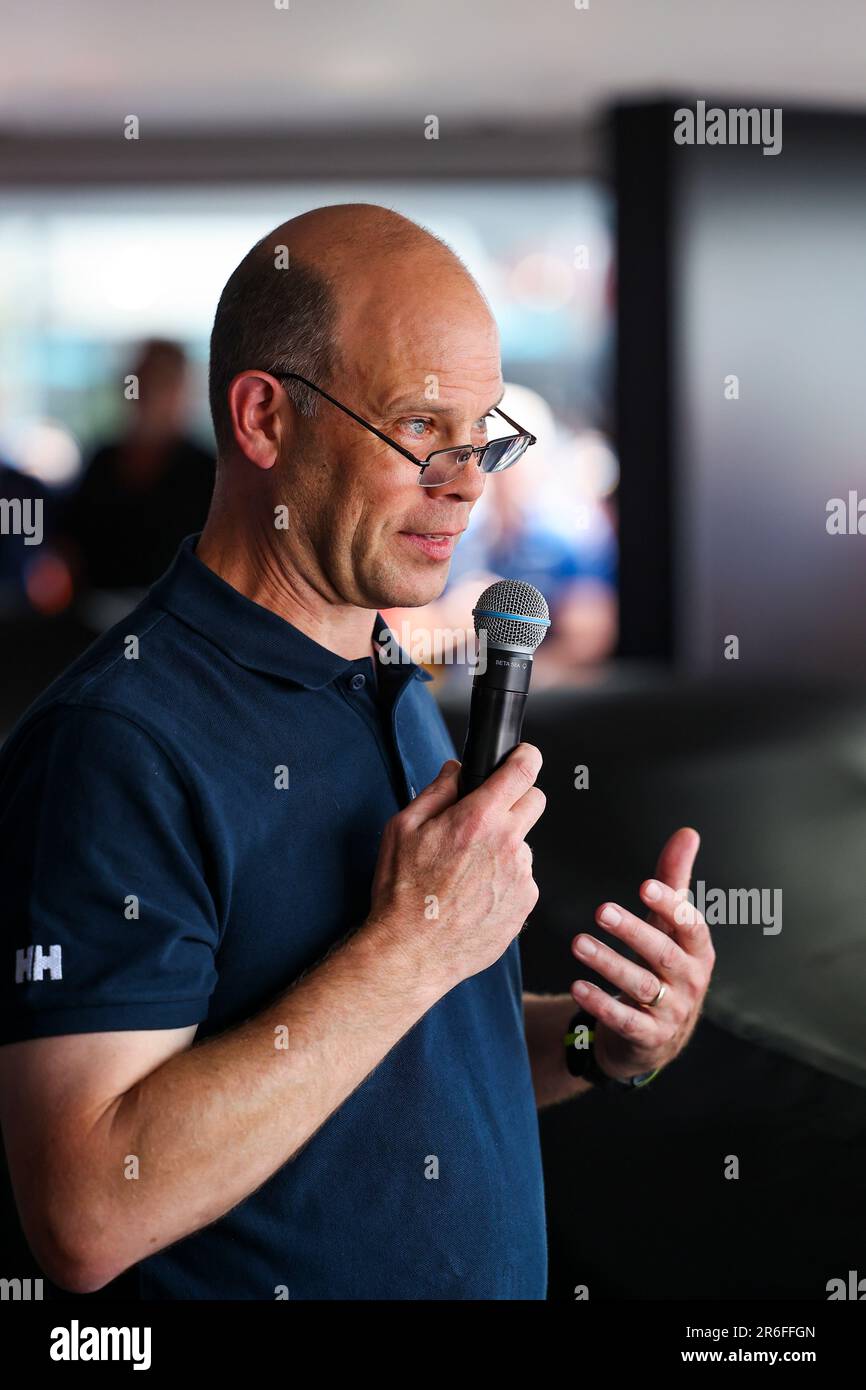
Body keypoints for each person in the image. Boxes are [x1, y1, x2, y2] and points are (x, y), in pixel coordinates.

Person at [0, 205, 715, 1300]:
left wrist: (599, 1041)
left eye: (481, 431)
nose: (468, 480)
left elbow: (409, 1054)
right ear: (262, 418)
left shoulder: (382, 670)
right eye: (419, 426)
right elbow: (88, 1207)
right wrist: (414, 946)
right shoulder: (118, 742)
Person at [62, 339, 214, 594]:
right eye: (143, 381)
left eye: (161, 383)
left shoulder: (205, 472)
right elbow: (69, 544)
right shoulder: (104, 461)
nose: (149, 395)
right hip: (92, 612)